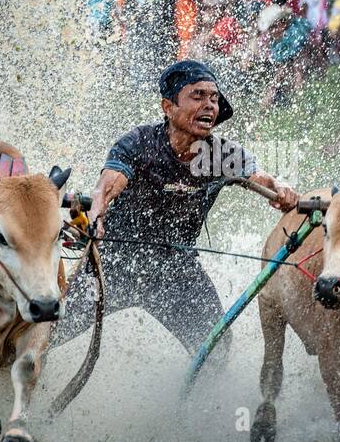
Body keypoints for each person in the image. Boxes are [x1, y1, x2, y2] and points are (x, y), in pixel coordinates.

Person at [51, 60, 297, 360]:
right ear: (168, 107)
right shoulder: (139, 143)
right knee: (48, 333)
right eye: (198, 96)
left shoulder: (221, 154)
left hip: (176, 270)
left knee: (217, 351)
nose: (210, 105)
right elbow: (105, 188)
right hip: (116, 263)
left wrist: (281, 189)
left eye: (214, 98)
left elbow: (261, 179)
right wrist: (95, 219)